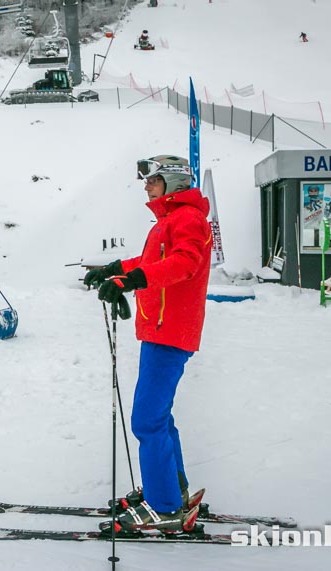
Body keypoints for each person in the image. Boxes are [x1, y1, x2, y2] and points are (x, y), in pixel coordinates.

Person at [83, 155, 211, 534]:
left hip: (170, 331)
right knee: (159, 417)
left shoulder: (187, 218)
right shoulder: (171, 220)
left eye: (152, 180)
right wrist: (116, 269)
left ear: (171, 181)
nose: (146, 186)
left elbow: (184, 263)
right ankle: (173, 491)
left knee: (147, 421)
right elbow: (154, 259)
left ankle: (165, 506)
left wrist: (132, 280)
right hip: (161, 330)